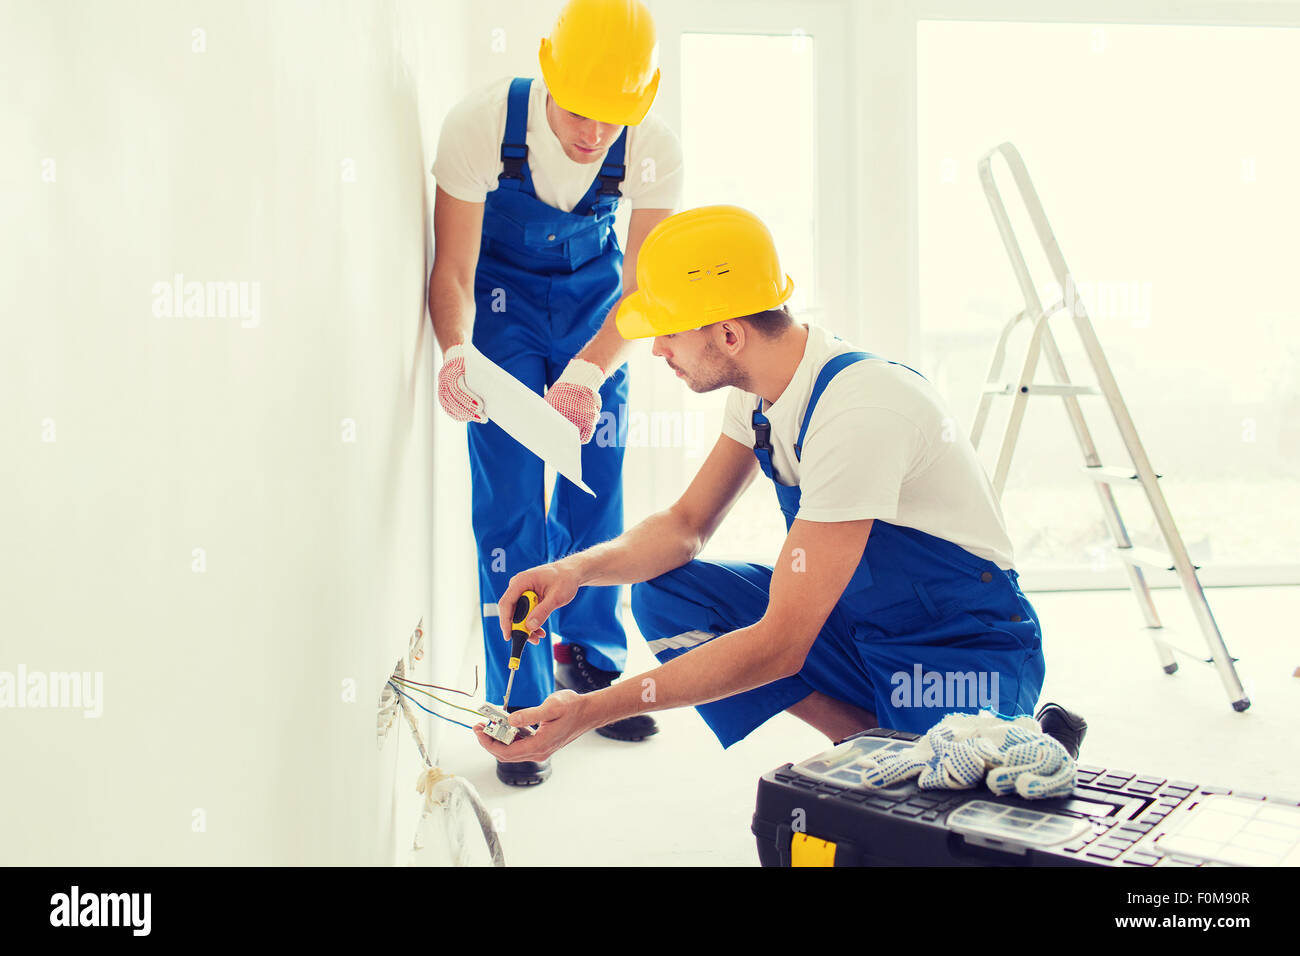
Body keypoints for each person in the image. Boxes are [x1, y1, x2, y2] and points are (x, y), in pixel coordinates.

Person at [474, 205, 1047, 766]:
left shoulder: (861, 412)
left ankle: (969, 738)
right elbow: (683, 527)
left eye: (668, 331)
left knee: (945, 803)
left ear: (727, 334)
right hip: (857, 623)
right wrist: (574, 571)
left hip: (958, 644)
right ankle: (864, 738)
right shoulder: (759, 394)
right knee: (667, 593)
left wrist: (589, 710)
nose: (656, 350)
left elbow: (780, 644)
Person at [428, 0, 682, 786]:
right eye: (580, 111)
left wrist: (587, 372)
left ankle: (591, 663)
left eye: (614, 119)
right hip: (497, 312)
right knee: (508, 507)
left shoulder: (653, 150)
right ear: (547, 70)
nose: (593, 135)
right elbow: (454, 274)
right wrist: (457, 355)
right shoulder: (478, 128)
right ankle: (518, 699)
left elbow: (643, 293)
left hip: (596, 315)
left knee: (595, 488)